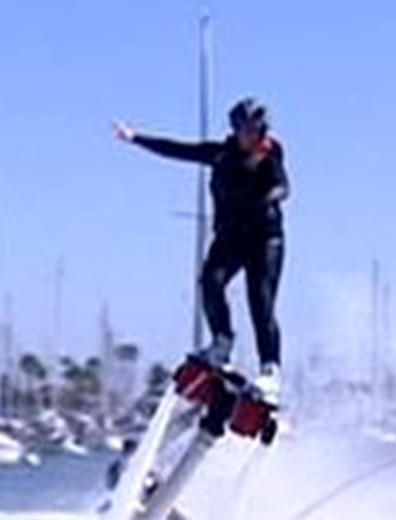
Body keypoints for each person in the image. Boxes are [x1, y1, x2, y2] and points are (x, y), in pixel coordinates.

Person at [114, 96, 289, 404]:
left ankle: (270, 371)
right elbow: (179, 149)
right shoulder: (221, 154)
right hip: (232, 237)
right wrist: (135, 138)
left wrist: (271, 196)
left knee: (260, 301)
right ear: (235, 129)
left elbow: (283, 185)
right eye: (243, 129)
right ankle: (221, 343)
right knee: (210, 281)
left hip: (265, 240)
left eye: (255, 129)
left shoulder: (270, 156)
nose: (249, 135)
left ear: (263, 130)